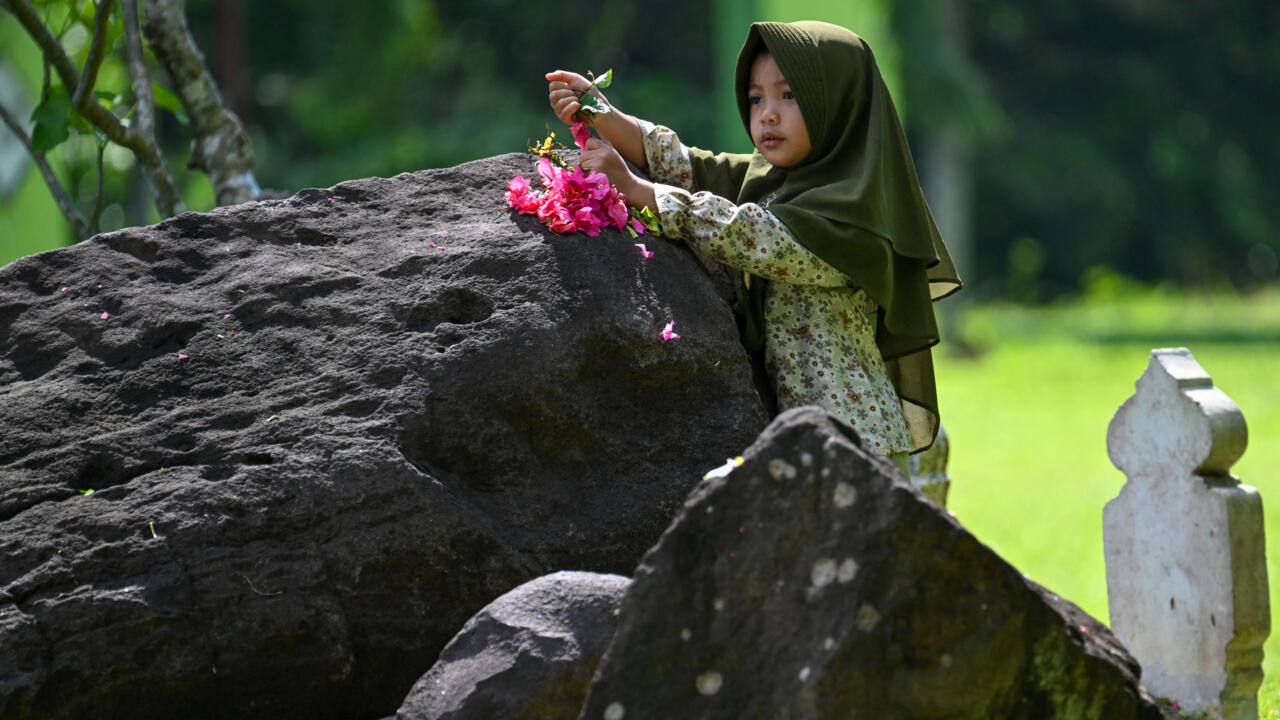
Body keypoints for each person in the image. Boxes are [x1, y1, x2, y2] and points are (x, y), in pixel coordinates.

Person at [546, 21, 960, 471]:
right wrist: (600, 111)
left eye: (790, 95)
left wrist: (635, 189)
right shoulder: (778, 181)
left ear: (841, 105)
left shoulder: (856, 214)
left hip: (855, 444)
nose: (768, 114)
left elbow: (757, 237)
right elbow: (692, 167)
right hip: (800, 439)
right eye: (756, 97)